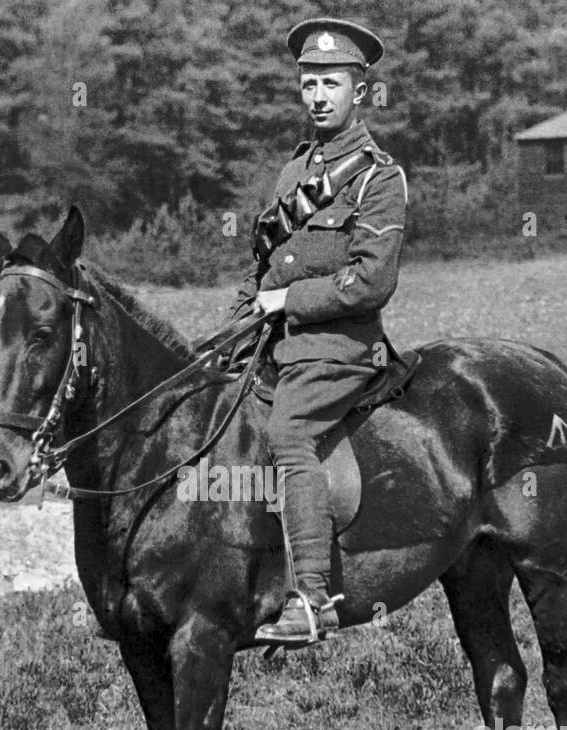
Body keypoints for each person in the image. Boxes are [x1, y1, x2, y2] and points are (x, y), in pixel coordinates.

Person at [223, 17, 408, 645]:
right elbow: (266, 266)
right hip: (276, 347)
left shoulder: (379, 178)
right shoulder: (292, 173)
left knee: (287, 433)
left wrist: (286, 300)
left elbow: (369, 282)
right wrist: (237, 321)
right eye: (308, 84)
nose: (318, 96)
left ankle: (310, 599)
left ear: (361, 90)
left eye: (331, 82)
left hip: (340, 350)